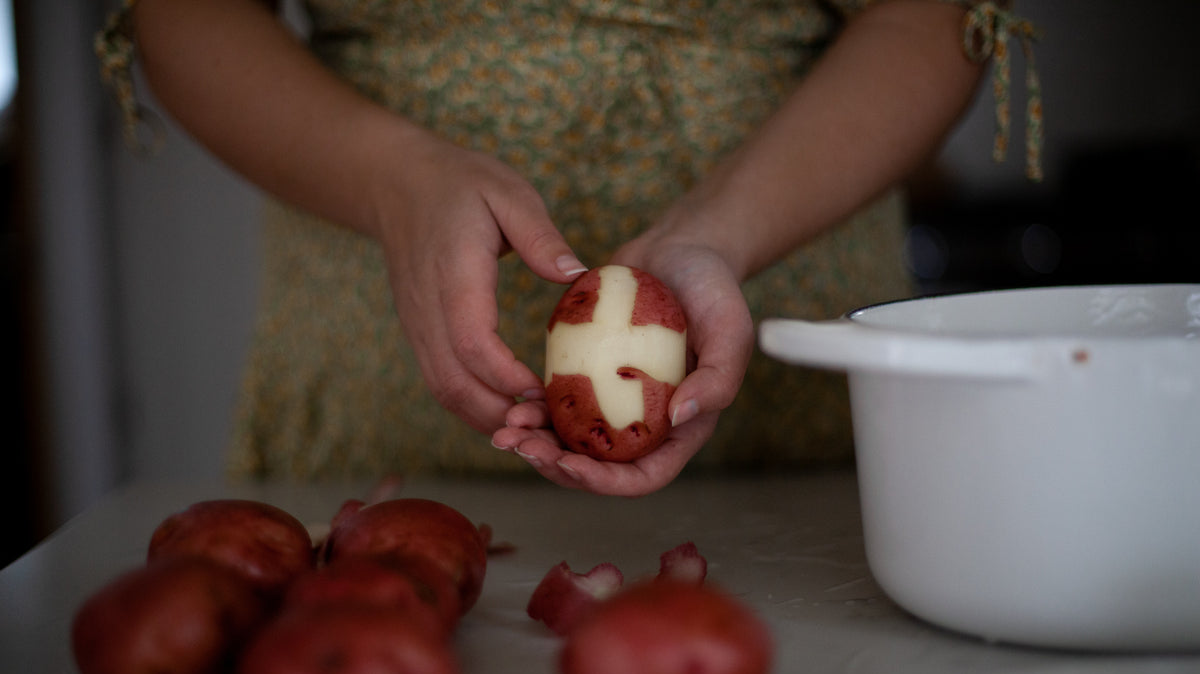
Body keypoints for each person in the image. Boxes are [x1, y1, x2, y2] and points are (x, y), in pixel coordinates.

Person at [97, 0, 1040, 497]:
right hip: (373, 362)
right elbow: (183, 10)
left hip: (781, 314)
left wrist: (719, 232)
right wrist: (394, 182)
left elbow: (929, 15)